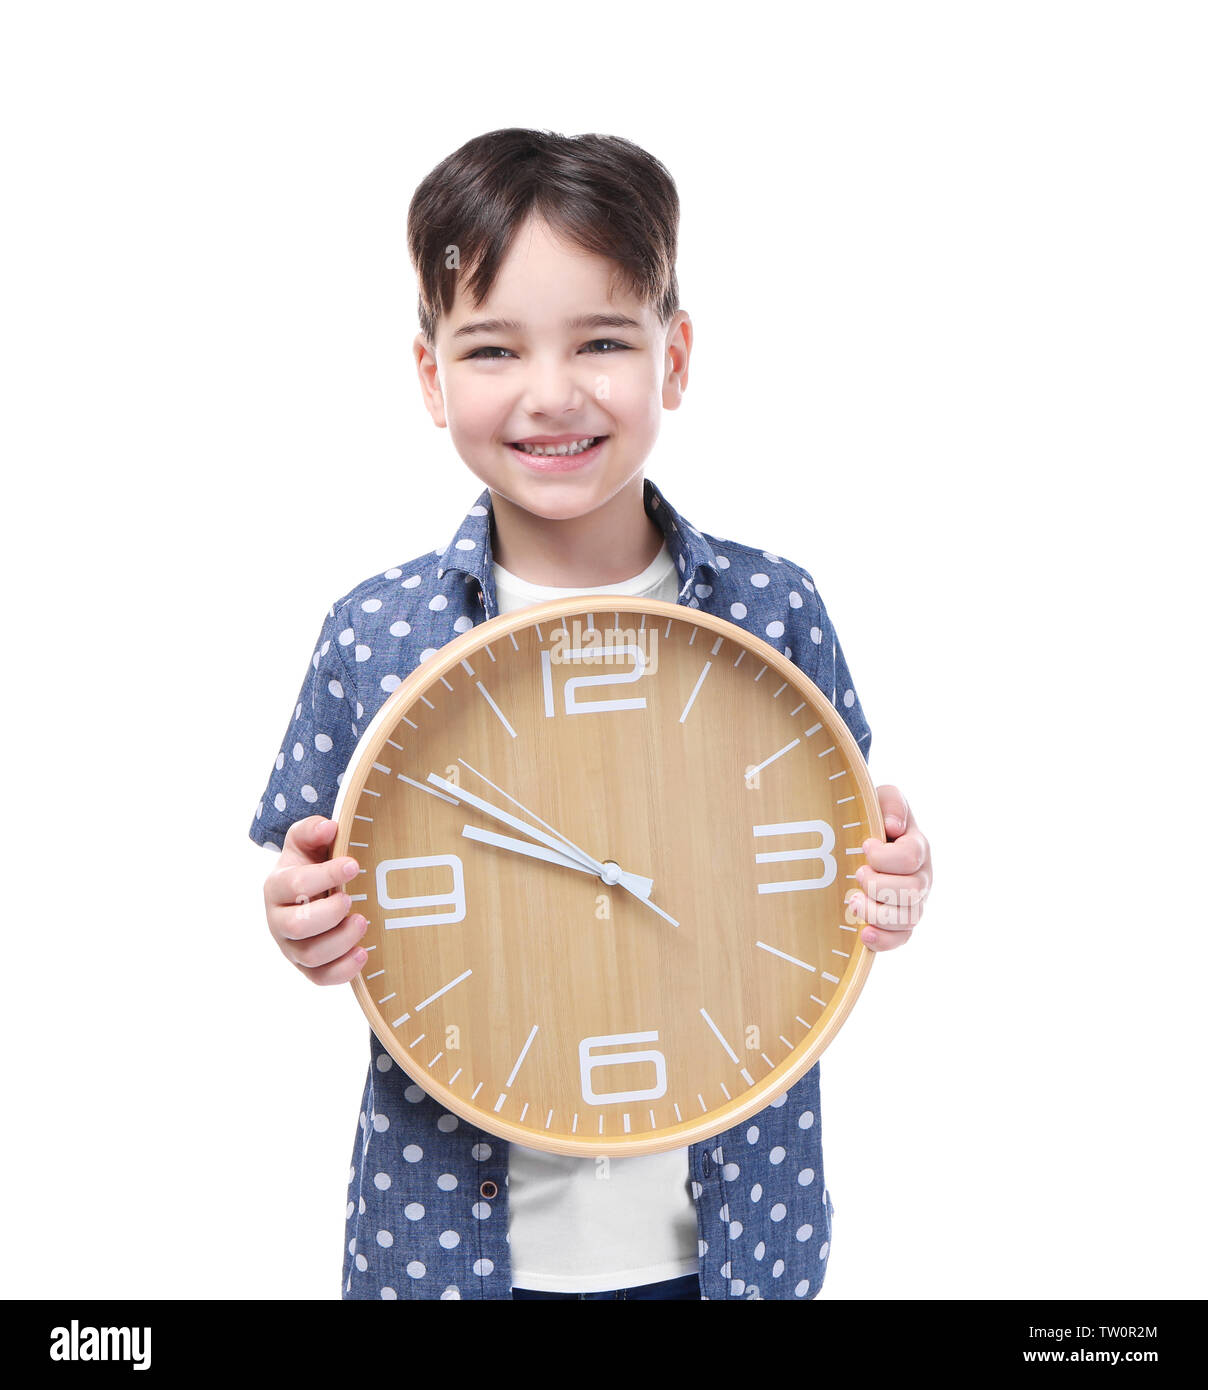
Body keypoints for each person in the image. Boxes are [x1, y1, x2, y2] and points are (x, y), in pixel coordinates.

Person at [249, 128, 933, 1301]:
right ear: (430, 376)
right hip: (451, 1255)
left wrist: (895, 885)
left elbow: (838, 854)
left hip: (731, 1243)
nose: (550, 392)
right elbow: (305, 862)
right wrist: (298, 917)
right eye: (493, 347)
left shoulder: (773, 609)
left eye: (602, 340)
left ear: (673, 358)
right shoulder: (375, 630)